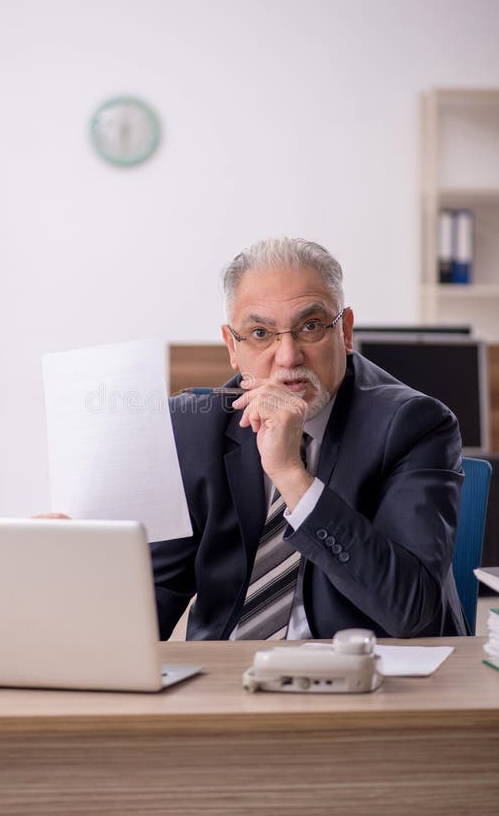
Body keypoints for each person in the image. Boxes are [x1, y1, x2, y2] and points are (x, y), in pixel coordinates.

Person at [151, 237, 466, 640]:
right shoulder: (194, 428)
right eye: (260, 332)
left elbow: (411, 610)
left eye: (310, 327)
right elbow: (153, 596)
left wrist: (290, 474)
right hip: (230, 670)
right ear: (232, 346)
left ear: (345, 331)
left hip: (365, 667)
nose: (288, 356)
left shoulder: (414, 424)